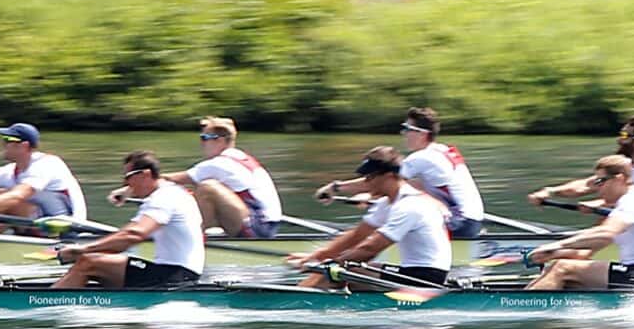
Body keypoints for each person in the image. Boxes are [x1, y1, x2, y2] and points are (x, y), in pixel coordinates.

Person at [290, 147, 451, 289]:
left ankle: (296, 299)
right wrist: (317, 257)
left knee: (340, 270)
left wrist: (327, 264)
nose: (366, 183)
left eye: (369, 177)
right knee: (335, 269)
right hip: (410, 271)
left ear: (389, 176)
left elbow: (370, 249)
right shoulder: (387, 203)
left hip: (427, 277)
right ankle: (303, 293)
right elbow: (356, 236)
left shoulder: (410, 206)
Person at [316, 107, 486, 238]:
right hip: (470, 220)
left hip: (460, 224)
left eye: (407, 129)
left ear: (422, 134)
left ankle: (360, 244)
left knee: (398, 220)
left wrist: (335, 187)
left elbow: (381, 179)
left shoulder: (422, 158)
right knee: (397, 204)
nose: (403, 133)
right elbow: (410, 185)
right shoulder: (441, 150)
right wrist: (375, 197)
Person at [55, 151, 206, 290]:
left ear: (145, 174)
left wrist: (81, 250)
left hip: (174, 275)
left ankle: (49, 302)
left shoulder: (164, 198)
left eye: (128, 177)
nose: (126, 183)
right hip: (175, 272)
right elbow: (123, 242)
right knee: (94, 261)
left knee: (88, 262)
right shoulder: (172, 192)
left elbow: (133, 234)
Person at [113, 117, 283, 239]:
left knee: (207, 188)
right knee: (191, 195)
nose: (201, 143)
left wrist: (128, 189)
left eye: (205, 138)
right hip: (265, 224)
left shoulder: (219, 164)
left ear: (221, 140)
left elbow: (161, 179)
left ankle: (195, 238)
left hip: (259, 228)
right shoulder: (239, 156)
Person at [526, 156, 634, 291]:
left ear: (619, 179)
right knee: (559, 268)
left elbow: (605, 233)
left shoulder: (633, 201)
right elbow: (585, 251)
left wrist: (557, 245)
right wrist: (552, 254)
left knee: (561, 268)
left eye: (600, 181)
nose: (597, 188)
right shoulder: (626, 205)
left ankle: (522, 305)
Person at [530, 114, 634, 222]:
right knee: (609, 220)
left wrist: (602, 202)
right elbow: (589, 184)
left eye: (624, 136)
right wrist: (550, 192)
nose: (619, 139)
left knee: (609, 219)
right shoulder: (625, 166)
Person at [0, 123, 89, 230]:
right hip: (34, 224)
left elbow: (18, 196)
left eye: (8, 140)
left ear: (24, 146)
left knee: (3, 196)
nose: (3, 144)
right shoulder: (7, 171)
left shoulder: (47, 164)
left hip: (64, 229)